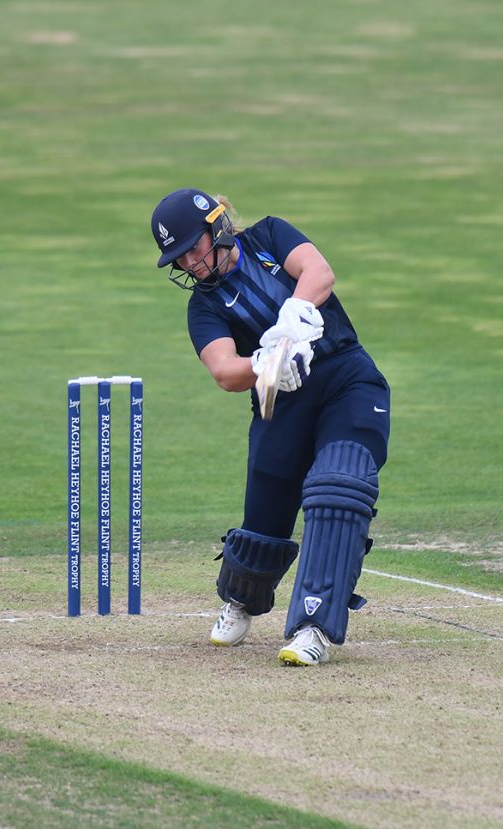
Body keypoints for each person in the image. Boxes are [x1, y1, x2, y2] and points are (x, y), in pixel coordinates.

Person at [149, 188, 391, 666]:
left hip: (347, 380)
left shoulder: (269, 236)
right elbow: (224, 370)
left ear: (217, 227)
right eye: (180, 259)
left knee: (340, 485)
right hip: (280, 398)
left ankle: (313, 627)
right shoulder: (204, 306)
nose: (190, 264)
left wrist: (294, 323)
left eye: (194, 249)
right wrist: (266, 363)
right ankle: (241, 598)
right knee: (265, 513)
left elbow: (319, 273)